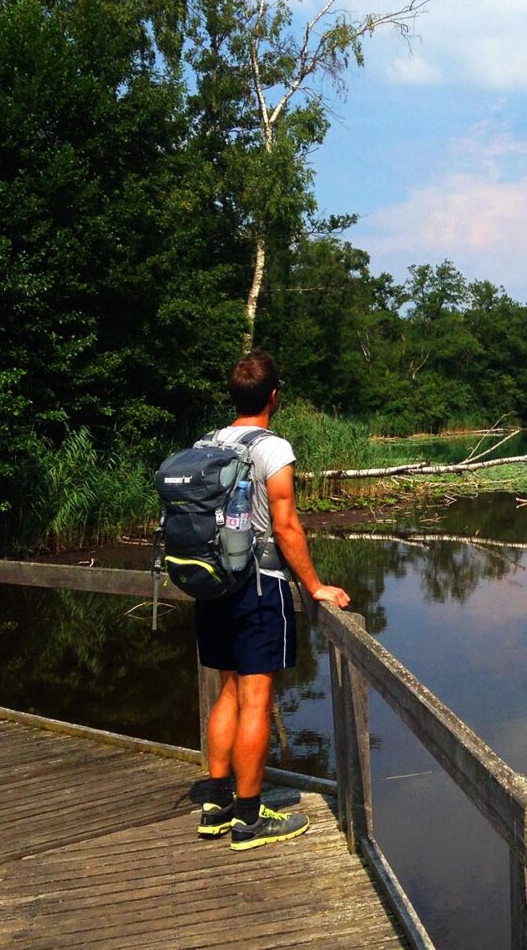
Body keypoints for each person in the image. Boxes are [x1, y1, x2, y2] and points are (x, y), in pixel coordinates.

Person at [195, 351, 351, 851]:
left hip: (214, 584)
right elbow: (285, 526)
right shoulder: (273, 449)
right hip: (258, 585)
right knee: (257, 697)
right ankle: (248, 819)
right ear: (274, 397)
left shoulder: (206, 443)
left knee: (228, 691)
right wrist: (314, 585)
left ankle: (216, 808)